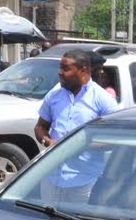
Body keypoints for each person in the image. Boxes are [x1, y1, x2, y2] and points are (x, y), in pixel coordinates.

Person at [33, 49, 119, 203]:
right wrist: (47, 141)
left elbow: (116, 139)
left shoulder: (103, 100)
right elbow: (40, 127)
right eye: (60, 68)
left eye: (65, 69)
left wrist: (81, 145)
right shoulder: (54, 96)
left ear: (83, 71)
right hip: (51, 177)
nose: (60, 72)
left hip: (84, 181)